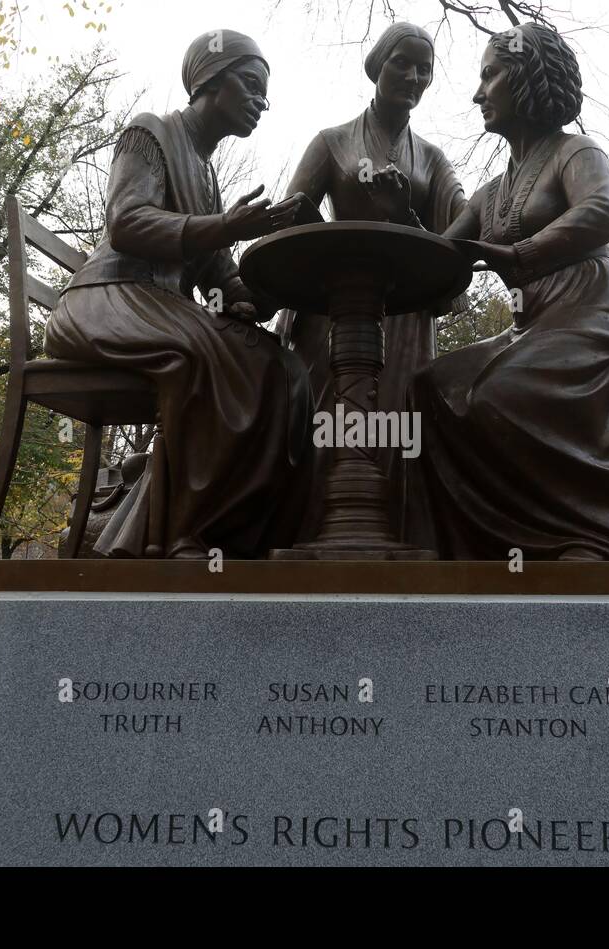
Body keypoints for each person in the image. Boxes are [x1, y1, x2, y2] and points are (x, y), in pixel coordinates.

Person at [45, 30, 310, 559]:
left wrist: (270, 284)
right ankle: (175, 534)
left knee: (283, 368)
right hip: (106, 299)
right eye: (251, 84)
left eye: (265, 93)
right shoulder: (151, 132)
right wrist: (225, 226)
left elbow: (218, 274)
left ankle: (234, 530)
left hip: (160, 310)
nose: (260, 102)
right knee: (201, 353)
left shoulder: (207, 177)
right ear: (210, 80)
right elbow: (127, 223)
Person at [406, 24, 609, 559]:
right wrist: (395, 217)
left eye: (489, 76)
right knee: (432, 385)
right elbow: (439, 251)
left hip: (599, 308)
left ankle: (601, 531)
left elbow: (604, 211)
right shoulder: (491, 191)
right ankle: (499, 539)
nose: (478, 93)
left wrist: (522, 255)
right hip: (538, 322)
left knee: (503, 390)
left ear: (524, 77)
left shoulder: (577, 152)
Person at [275, 22, 468, 541]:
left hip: (404, 309)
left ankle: (397, 533)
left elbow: (462, 239)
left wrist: (406, 217)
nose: (412, 75)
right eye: (400, 62)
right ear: (377, 66)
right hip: (332, 305)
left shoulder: (432, 159)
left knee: (403, 409)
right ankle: (317, 530)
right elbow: (292, 216)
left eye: (423, 68)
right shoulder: (331, 142)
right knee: (323, 409)